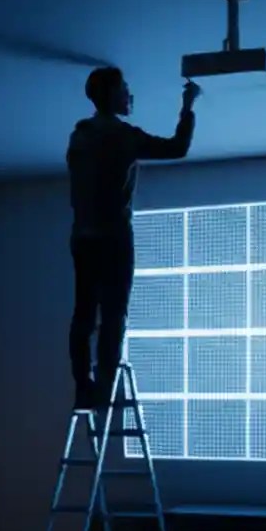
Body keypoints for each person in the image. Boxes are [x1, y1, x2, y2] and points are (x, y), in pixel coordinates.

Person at [67, 67, 201, 410]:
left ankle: (84, 386)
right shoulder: (123, 136)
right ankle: (105, 392)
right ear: (112, 93)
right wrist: (187, 106)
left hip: (82, 236)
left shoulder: (79, 135)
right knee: (113, 314)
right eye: (126, 88)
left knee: (84, 313)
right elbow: (177, 147)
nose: (130, 95)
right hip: (112, 237)